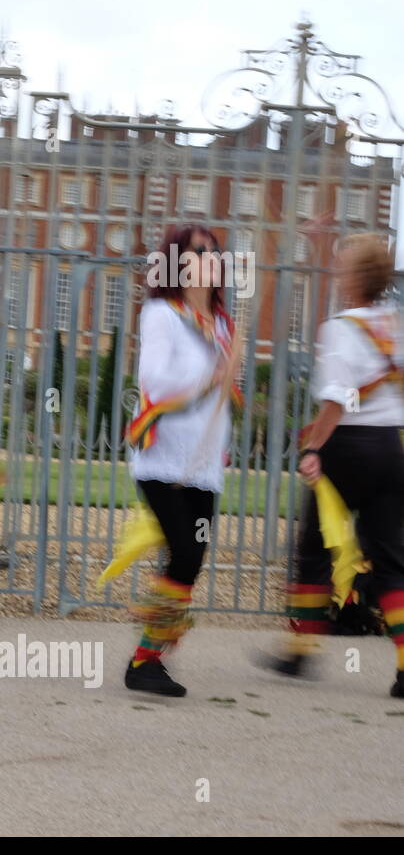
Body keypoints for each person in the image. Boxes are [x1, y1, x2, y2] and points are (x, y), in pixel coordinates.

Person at [262, 234, 404, 697]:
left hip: (347, 448)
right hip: (389, 447)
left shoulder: (340, 328)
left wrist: (312, 448)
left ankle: (301, 653)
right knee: (389, 561)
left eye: (342, 268)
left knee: (314, 548)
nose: (336, 274)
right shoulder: (394, 324)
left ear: (356, 279)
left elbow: (336, 400)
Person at [121, 224, 243, 697]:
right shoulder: (161, 315)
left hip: (204, 463)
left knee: (189, 560)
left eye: (215, 252)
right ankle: (144, 661)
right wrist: (210, 379)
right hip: (162, 459)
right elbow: (155, 381)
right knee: (186, 552)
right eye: (199, 251)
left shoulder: (222, 324)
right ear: (176, 262)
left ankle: (149, 659)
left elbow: (223, 397)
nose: (210, 257)